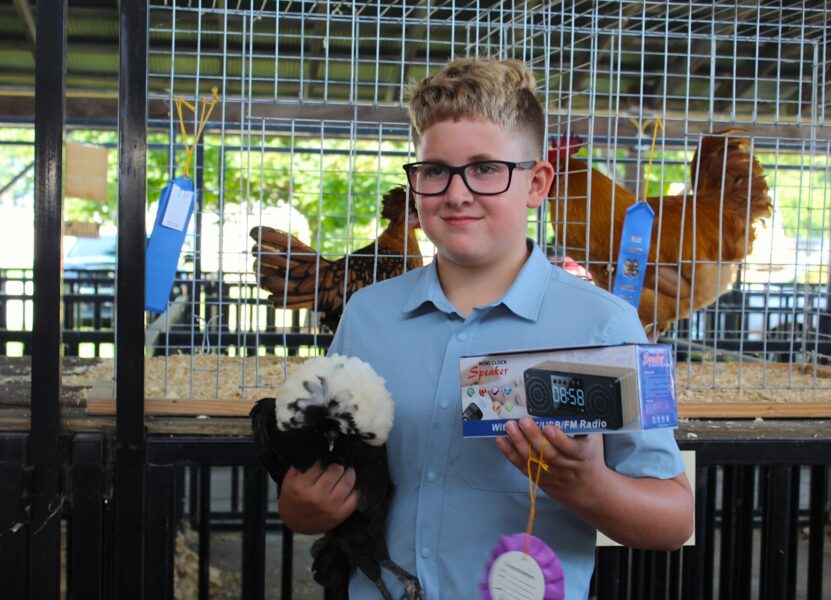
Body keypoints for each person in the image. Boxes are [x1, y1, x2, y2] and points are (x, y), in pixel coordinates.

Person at [277, 56, 694, 599]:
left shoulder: (605, 324)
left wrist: (590, 486)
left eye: (486, 168)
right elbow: (322, 470)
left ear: (537, 183)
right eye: (434, 171)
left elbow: (673, 520)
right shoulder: (367, 315)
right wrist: (300, 507)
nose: (456, 193)